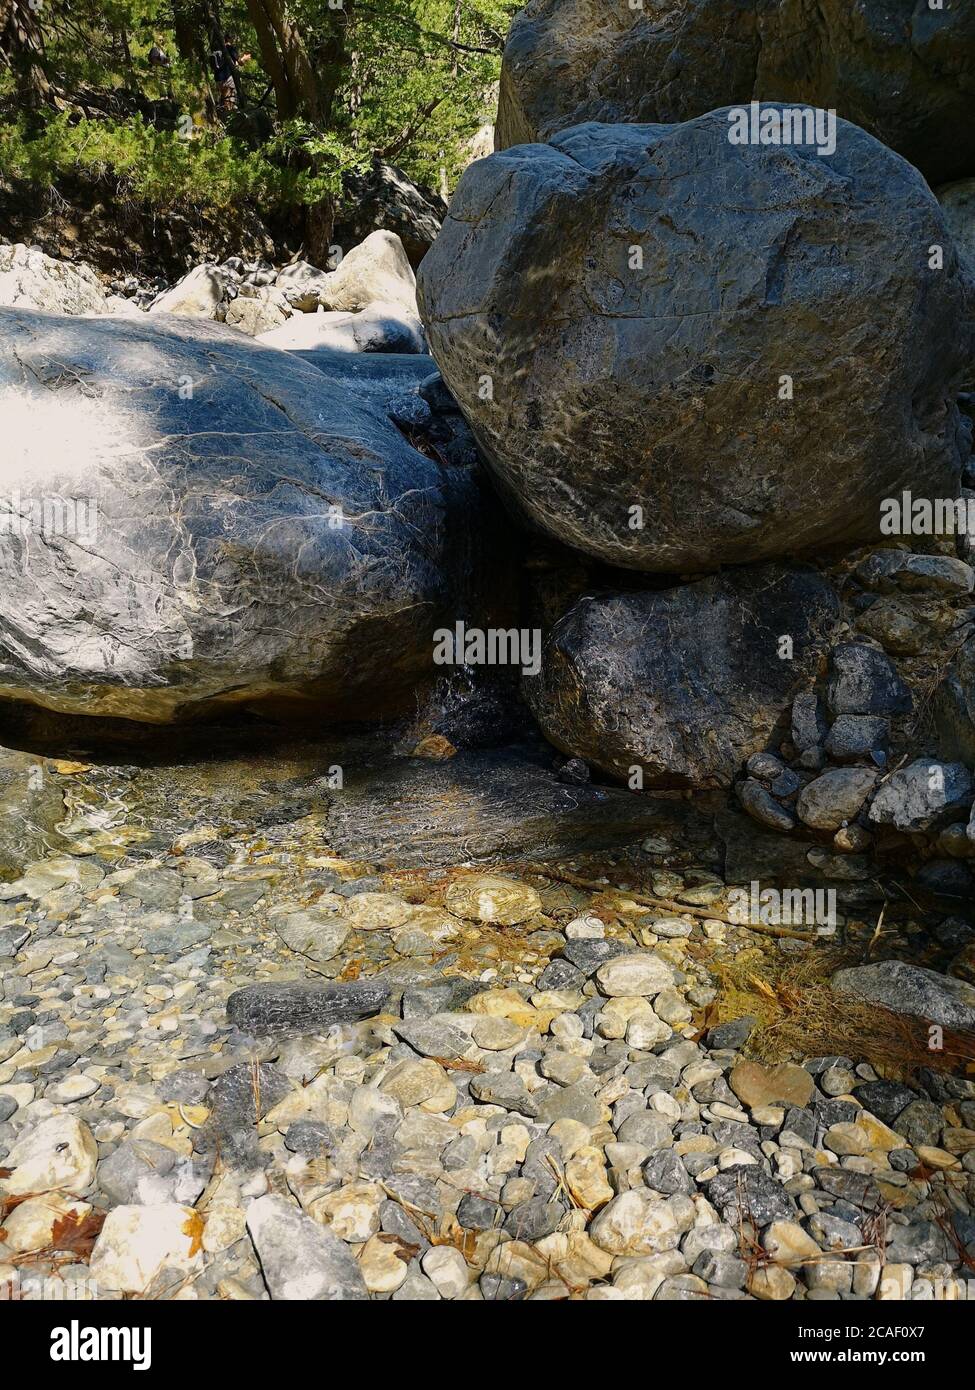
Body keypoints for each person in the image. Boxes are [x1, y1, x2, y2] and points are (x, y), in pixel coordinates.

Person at [211, 32, 250, 113]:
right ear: (229, 39)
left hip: (218, 78)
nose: (234, 40)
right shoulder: (230, 48)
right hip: (228, 78)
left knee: (224, 99)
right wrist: (245, 58)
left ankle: (223, 115)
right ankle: (229, 118)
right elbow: (240, 62)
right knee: (229, 101)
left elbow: (231, 63)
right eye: (233, 38)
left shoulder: (219, 48)